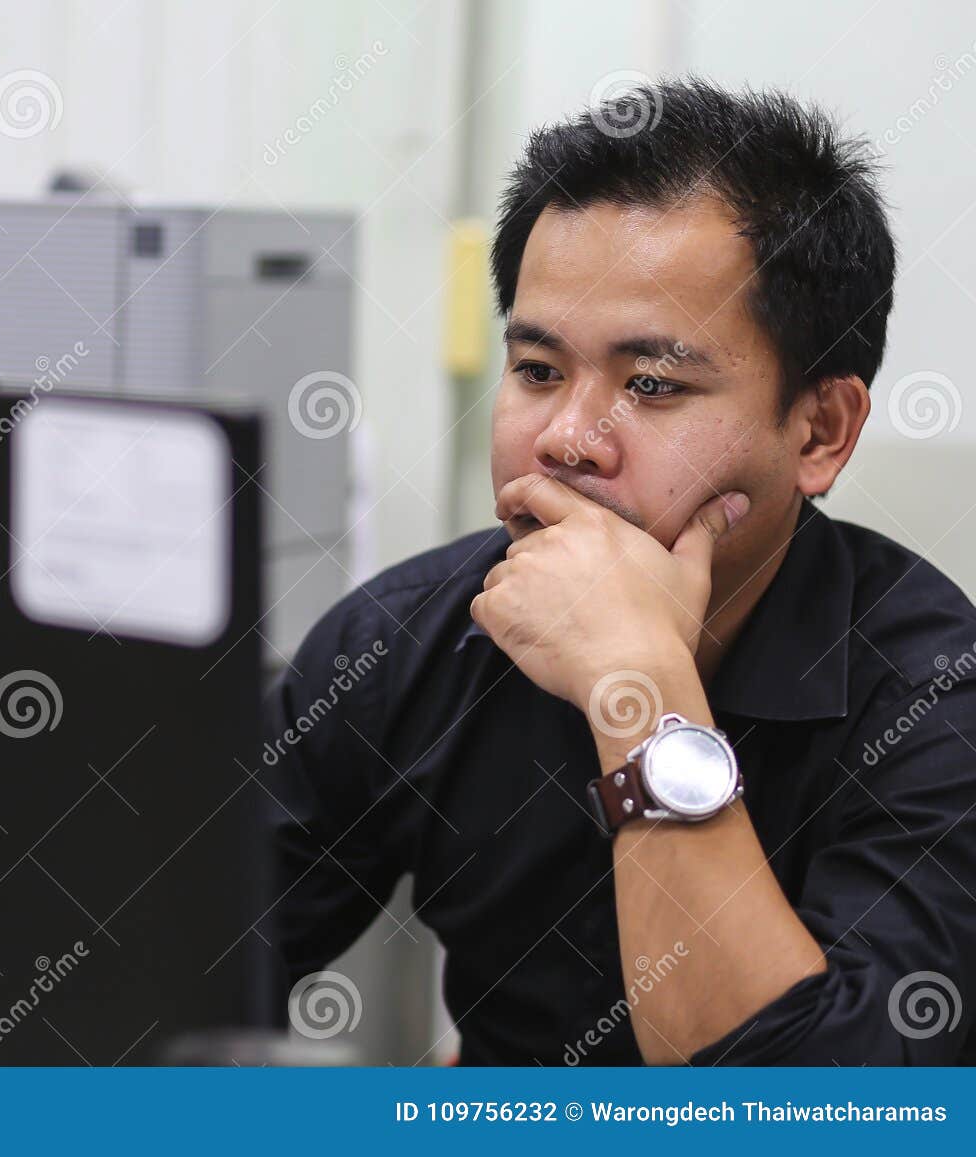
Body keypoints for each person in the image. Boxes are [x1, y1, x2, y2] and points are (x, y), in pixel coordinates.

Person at [267, 78, 976, 1065]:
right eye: (538, 370)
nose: (565, 438)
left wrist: (633, 687)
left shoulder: (932, 700)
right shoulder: (401, 638)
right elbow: (146, 982)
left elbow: (814, 1117)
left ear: (819, 430)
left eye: (651, 384)